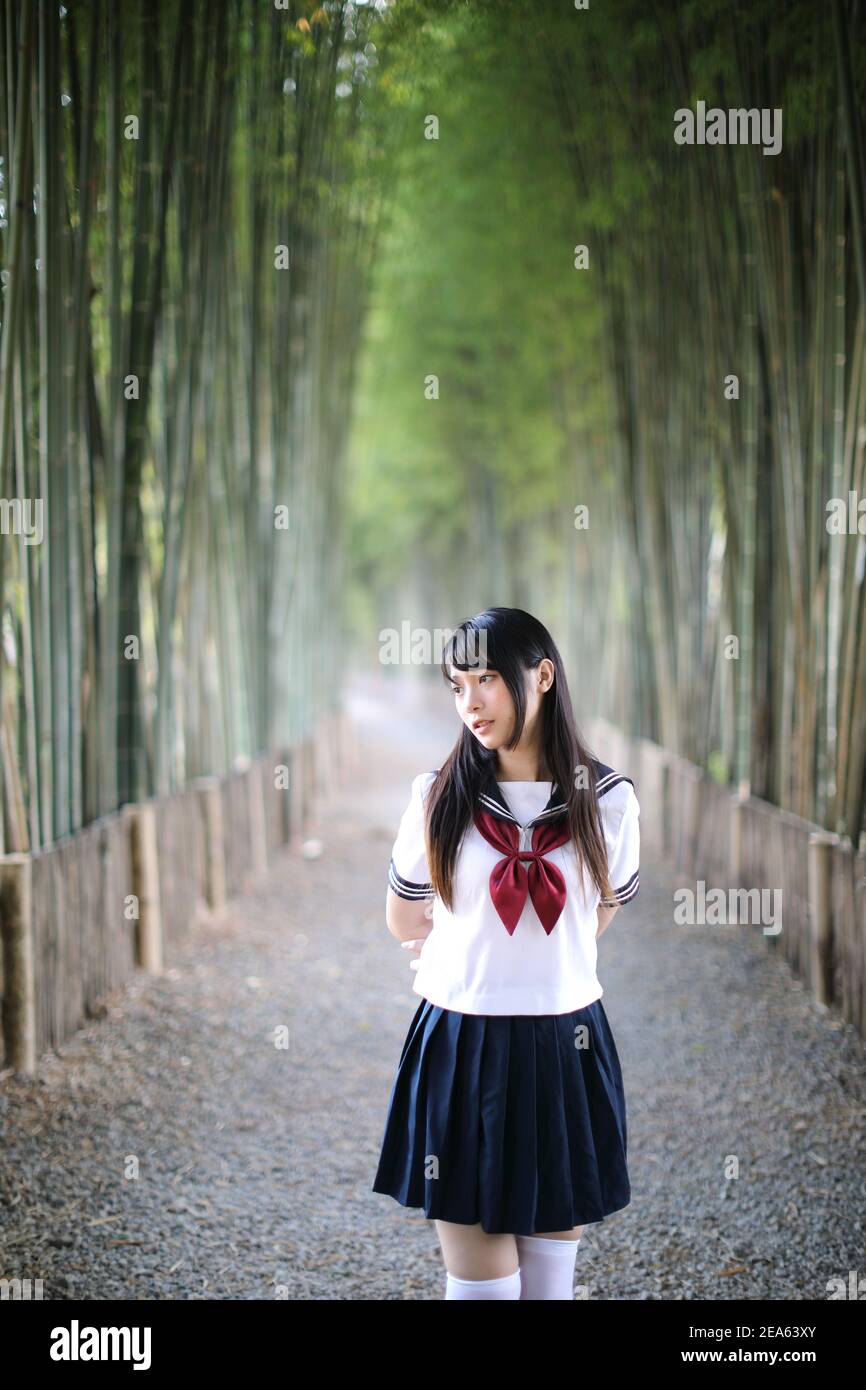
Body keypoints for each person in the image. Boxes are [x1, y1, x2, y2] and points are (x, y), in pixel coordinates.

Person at [371, 607, 640, 1300]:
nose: (471, 702)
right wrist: (462, 954)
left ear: (542, 676)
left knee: (551, 1287)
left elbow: (594, 915)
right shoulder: (436, 798)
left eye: (487, 678)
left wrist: (491, 952)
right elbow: (404, 915)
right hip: (461, 1040)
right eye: (458, 685)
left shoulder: (608, 802)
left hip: (565, 1043)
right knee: (482, 1286)